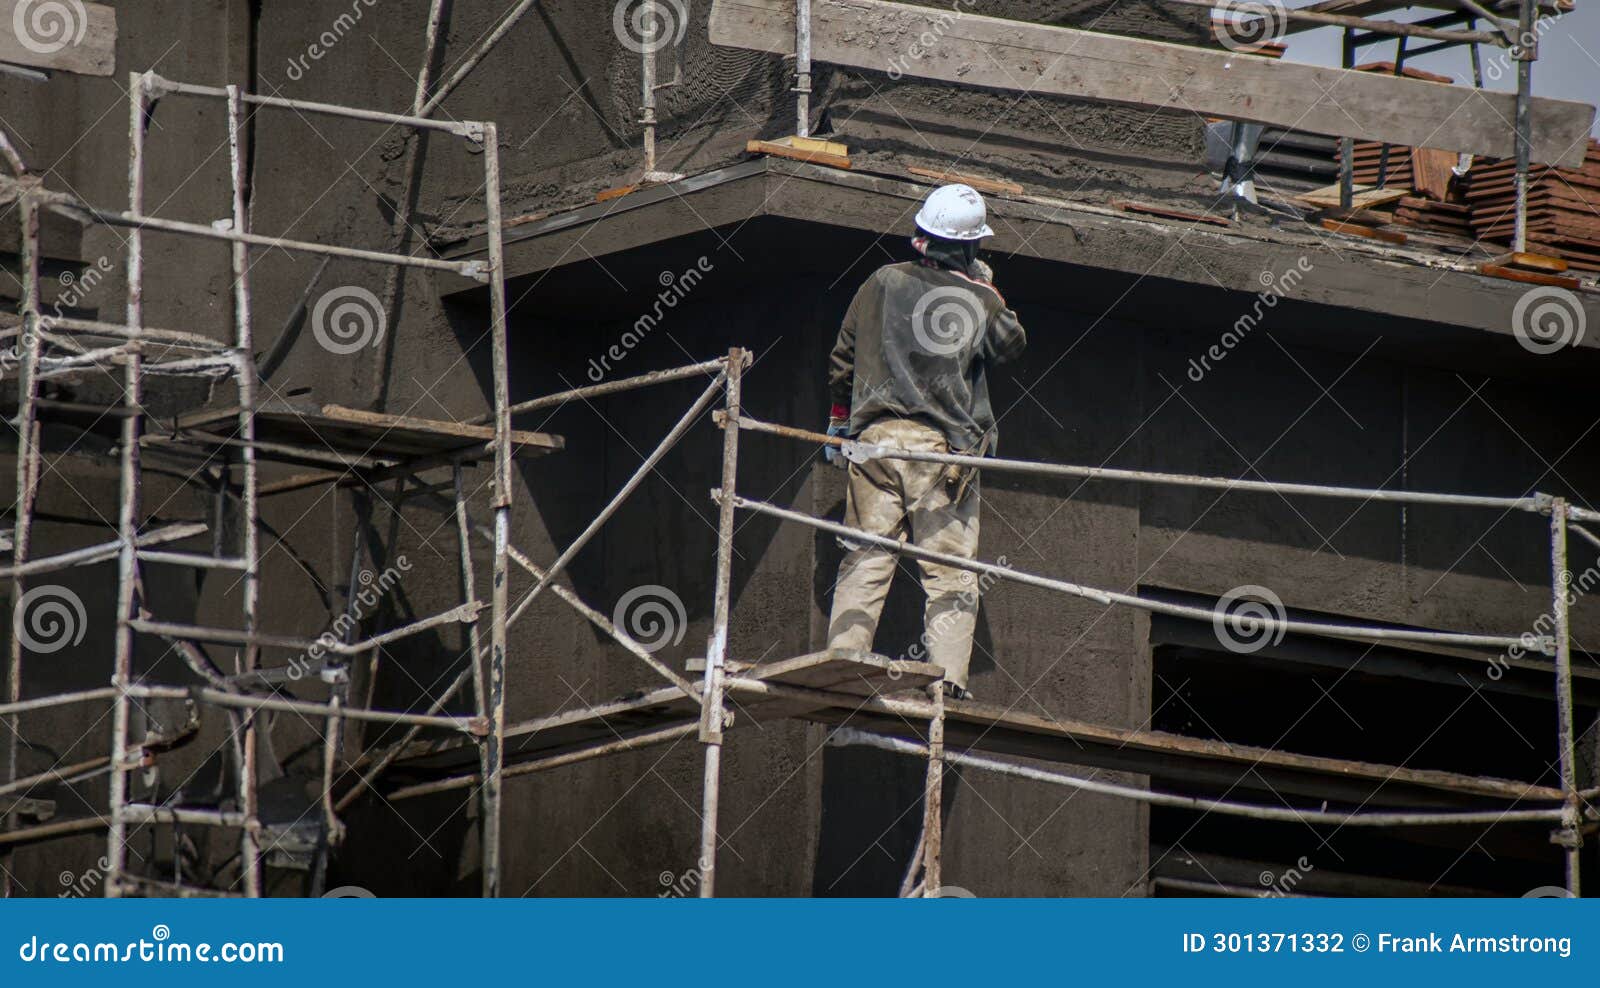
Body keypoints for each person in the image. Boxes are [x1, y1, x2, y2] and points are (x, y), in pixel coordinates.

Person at [823, 184, 1027, 700]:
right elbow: (1011, 346)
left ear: (922, 236)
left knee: (866, 557)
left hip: (872, 444)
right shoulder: (976, 298)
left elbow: (843, 359)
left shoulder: (881, 281)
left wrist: (839, 422)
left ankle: (845, 659)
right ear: (971, 247)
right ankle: (949, 679)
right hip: (940, 453)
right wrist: (987, 289)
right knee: (951, 571)